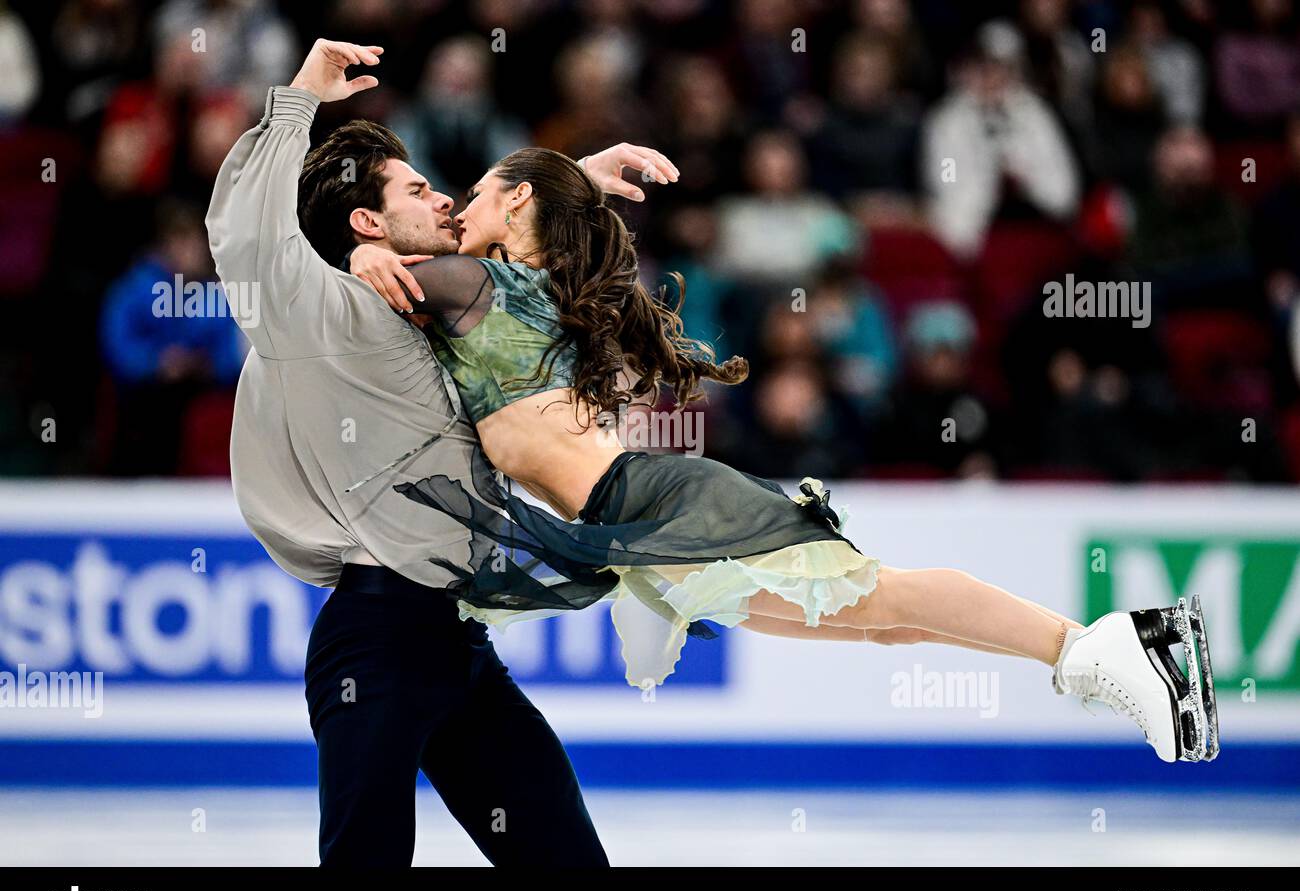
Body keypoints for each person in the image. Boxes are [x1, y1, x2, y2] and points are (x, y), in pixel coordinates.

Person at [347, 143, 1220, 765]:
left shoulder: (471, 282)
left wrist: (358, 245)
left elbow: (328, 286)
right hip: (636, 517)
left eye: (472, 193)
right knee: (889, 622)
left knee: (885, 600)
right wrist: (578, 175)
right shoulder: (535, 282)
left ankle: (1100, 648)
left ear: (519, 206)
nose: (455, 209)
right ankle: (1101, 651)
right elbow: (529, 214)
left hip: (652, 504)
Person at [206, 37, 674, 866]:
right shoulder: (320, 315)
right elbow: (246, 243)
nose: (448, 199)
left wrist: (565, 186)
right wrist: (301, 99)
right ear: (365, 221)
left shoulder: (441, 305)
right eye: (420, 190)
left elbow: (506, 239)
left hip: (458, 641)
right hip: (377, 637)